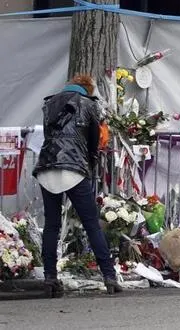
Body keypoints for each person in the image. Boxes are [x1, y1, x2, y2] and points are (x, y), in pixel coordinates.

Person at [33, 74, 122, 295]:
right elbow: (93, 143)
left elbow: (49, 137)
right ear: (89, 89)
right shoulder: (89, 104)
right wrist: (89, 166)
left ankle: (50, 278)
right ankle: (109, 277)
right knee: (91, 223)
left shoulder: (49, 104)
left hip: (47, 167)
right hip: (74, 168)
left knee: (51, 225)